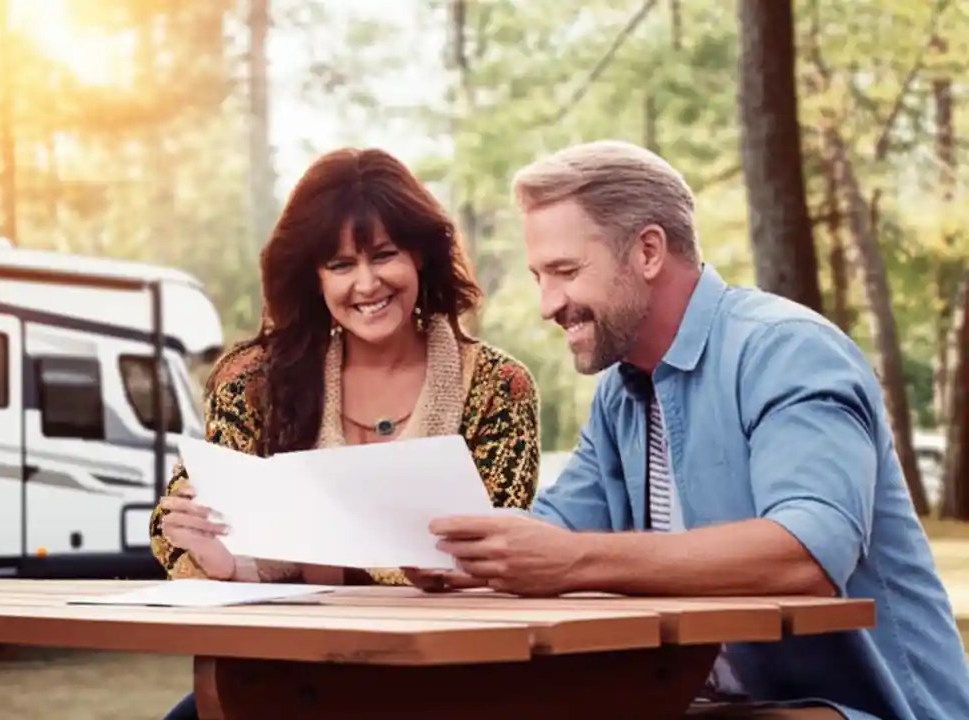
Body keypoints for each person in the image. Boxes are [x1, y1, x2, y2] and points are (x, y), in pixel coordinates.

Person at [414, 140, 969, 720]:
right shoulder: (622, 391)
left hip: (856, 710)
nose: (548, 304)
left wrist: (573, 560)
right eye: (539, 277)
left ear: (648, 251)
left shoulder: (786, 351)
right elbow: (557, 528)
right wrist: (461, 556)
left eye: (565, 271)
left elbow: (806, 553)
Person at [149, 147, 542, 719]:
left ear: (422, 258)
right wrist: (213, 555)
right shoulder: (254, 379)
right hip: (284, 670)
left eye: (385, 256)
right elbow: (170, 520)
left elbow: (504, 556)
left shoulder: (498, 387)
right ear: (312, 276)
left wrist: (442, 574)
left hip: (443, 681)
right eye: (340, 265)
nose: (366, 284)